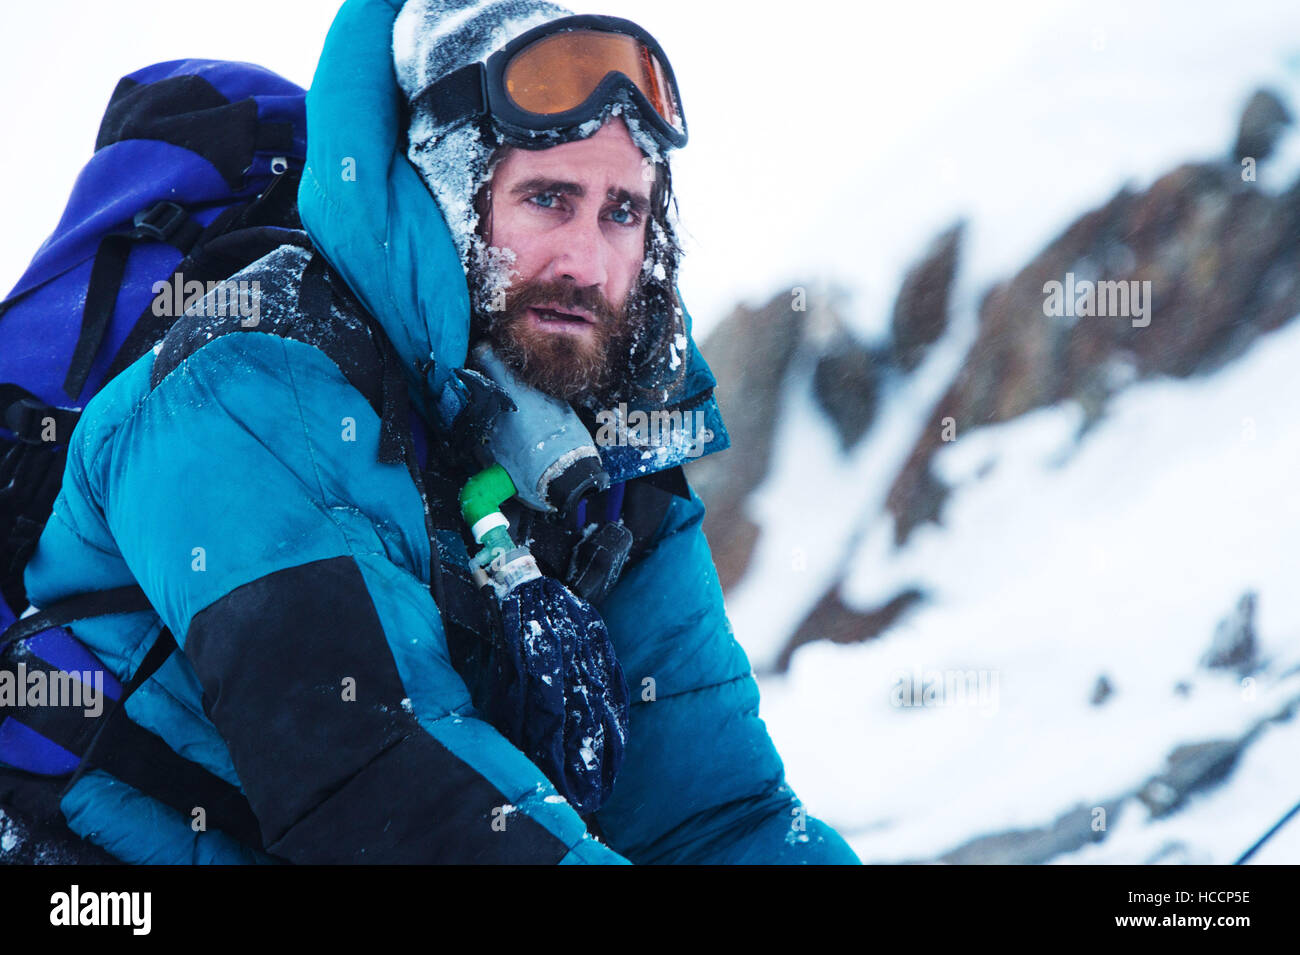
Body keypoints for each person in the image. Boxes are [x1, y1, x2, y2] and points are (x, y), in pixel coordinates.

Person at [19, 0, 862, 864]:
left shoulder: (604, 455)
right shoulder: (243, 385)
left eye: (621, 212)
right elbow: (385, 785)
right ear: (450, 198)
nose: (587, 261)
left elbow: (718, 814)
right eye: (548, 198)